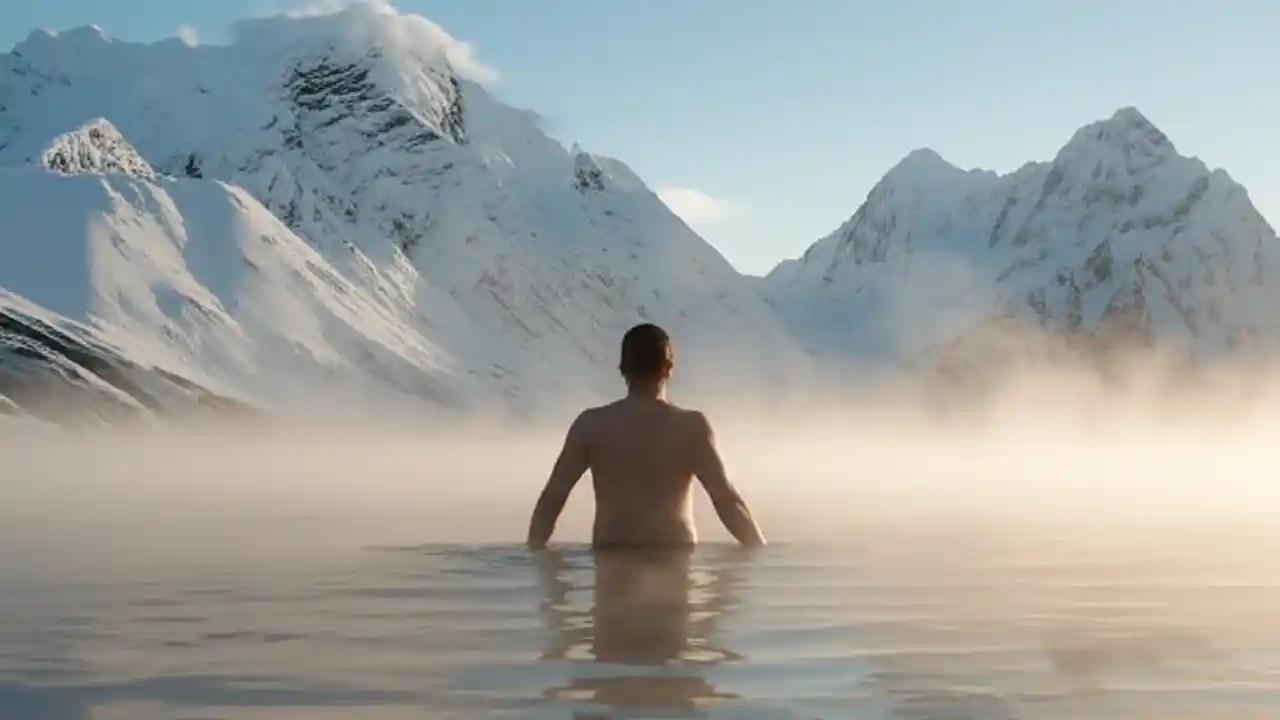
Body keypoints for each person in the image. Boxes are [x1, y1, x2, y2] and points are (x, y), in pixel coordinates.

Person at [527, 323, 766, 549]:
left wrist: (535, 554)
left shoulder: (591, 425)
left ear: (622, 368)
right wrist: (759, 553)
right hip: (675, 555)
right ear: (669, 368)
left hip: (612, 556)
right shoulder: (691, 426)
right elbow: (726, 501)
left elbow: (552, 499)